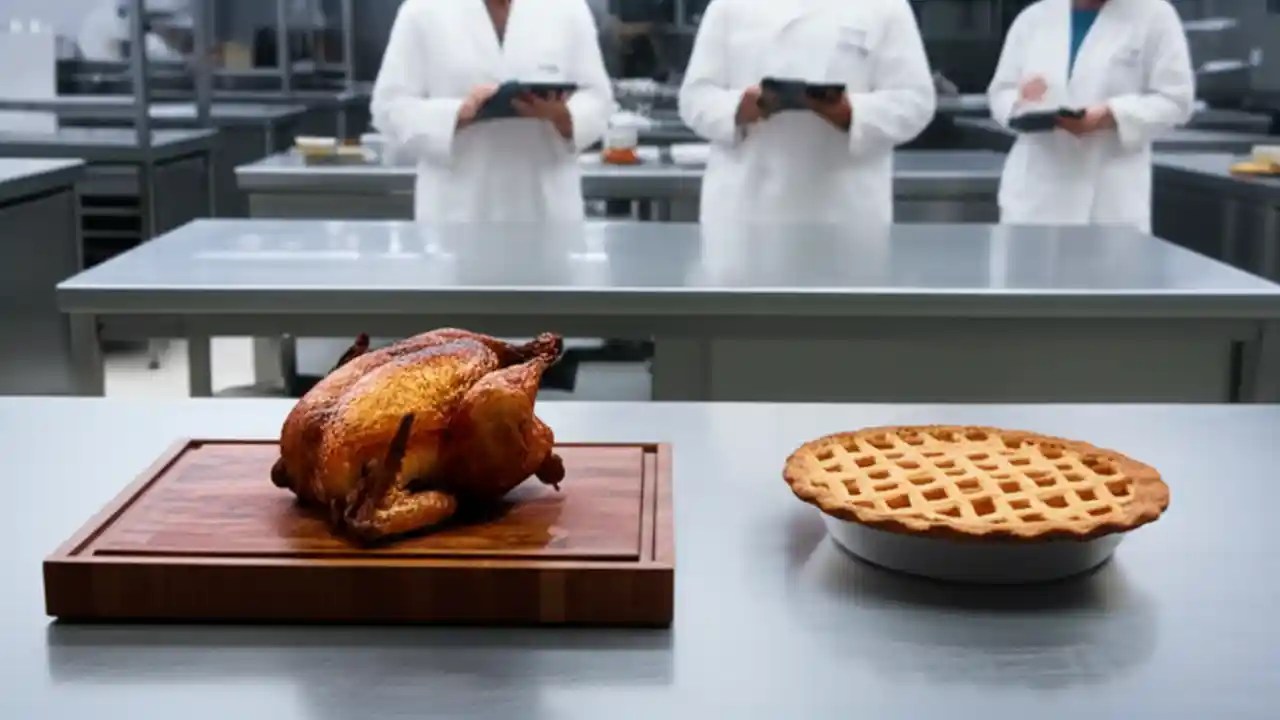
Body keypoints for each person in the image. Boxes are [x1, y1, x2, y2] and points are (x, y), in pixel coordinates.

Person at [678, 0, 936, 225]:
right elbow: (695, 98)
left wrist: (850, 112)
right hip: (746, 208)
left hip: (844, 214)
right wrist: (741, 107)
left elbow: (914, 102)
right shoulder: (728, 6)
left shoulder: (887, 7)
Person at [371, 0, 614, 222]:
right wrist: (457, 114)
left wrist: (562, 116)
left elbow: (598, 98)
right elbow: (389, 107)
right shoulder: (422, 10)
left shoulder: (567, 7)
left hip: (545, 206)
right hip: (458, 209)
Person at [988, 0, 1195, 232]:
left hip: (1110, 198)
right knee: (1031, 266)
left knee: (1107, 266)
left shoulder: (1155, 15)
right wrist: (1022, 101)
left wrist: (1112, 114)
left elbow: (1177, 101)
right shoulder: (1034, 18)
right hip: (1036, 196)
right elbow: (1001, 92)